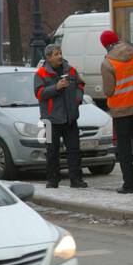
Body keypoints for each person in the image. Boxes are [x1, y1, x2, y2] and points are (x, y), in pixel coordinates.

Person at [99, 29, 133, 194]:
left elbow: (108, 90)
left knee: (125, 150)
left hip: (121, 112)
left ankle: (128, 185)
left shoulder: (108, 63)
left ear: (106, 45)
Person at [34, 43, 87, 189]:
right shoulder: (40, 74)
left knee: (74, 150)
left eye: (60, 53)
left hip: (70, 118)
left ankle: (76, 180)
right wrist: (56, 87)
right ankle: (52, 180)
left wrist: (78, 98)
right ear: (48, 57)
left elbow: (80, 85)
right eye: (56, 54)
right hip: (50, 120)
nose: (60, 56)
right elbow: (39, 94)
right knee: (52, 151)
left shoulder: (71, 70)